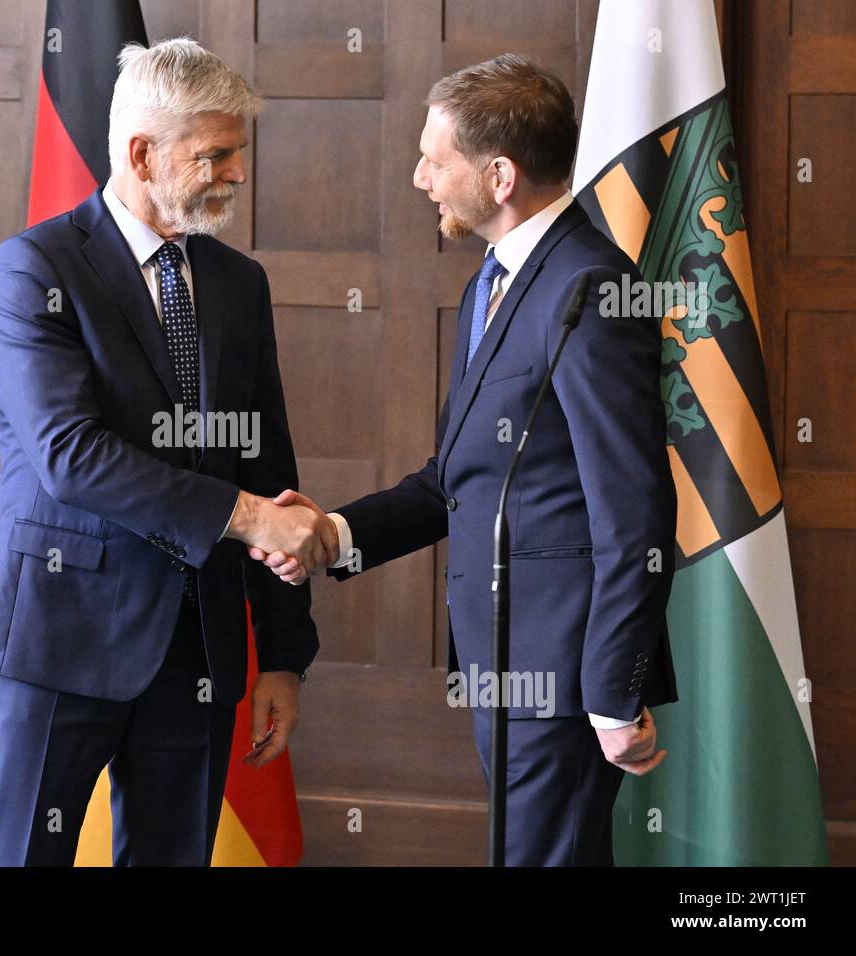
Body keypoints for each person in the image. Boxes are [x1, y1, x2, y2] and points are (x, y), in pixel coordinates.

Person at [250, 53, 678, 866]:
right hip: (503, 666)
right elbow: (455, 481)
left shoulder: (587, 291)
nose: (419, 178)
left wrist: (615, 693)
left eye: (435, 159)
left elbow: (636, 512)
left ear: (501, 175)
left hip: (563, 679)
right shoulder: (494, 283)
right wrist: (332, 534)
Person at [0, 38, 331, 866]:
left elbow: (267, 470)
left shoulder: (240, 283)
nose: (237, 173)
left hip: (196, 652)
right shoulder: (33, 268)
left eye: (240, 152)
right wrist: (241, 519)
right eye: (217, 155)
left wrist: (283, 656)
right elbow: (70, 454)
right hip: (58, 640)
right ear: (141, 154)